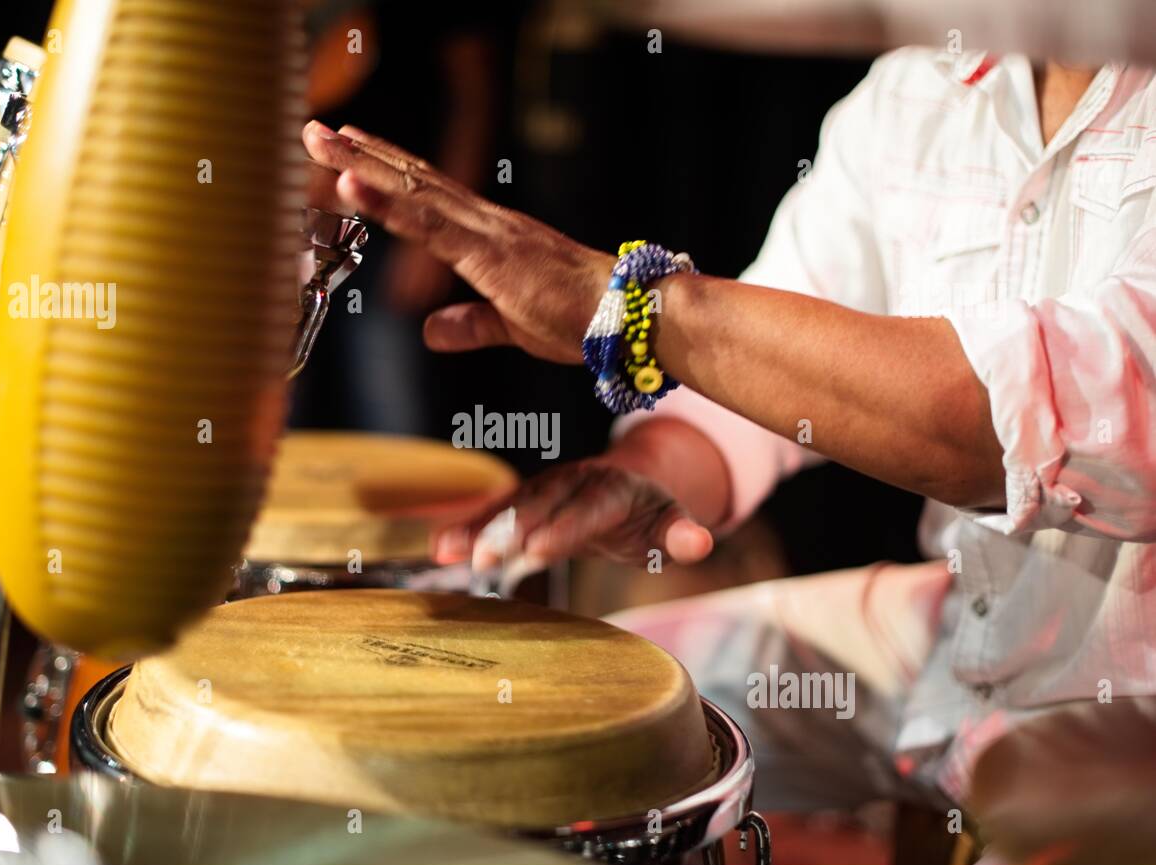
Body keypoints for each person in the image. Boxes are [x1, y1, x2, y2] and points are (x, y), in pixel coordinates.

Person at [302, 46, 1156, 814]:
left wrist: (629, 304)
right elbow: (777, 361)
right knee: (563, 713)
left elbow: (996, 426)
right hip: (964, 628)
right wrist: (659, 467)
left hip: (1130, 710)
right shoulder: (917, 90)